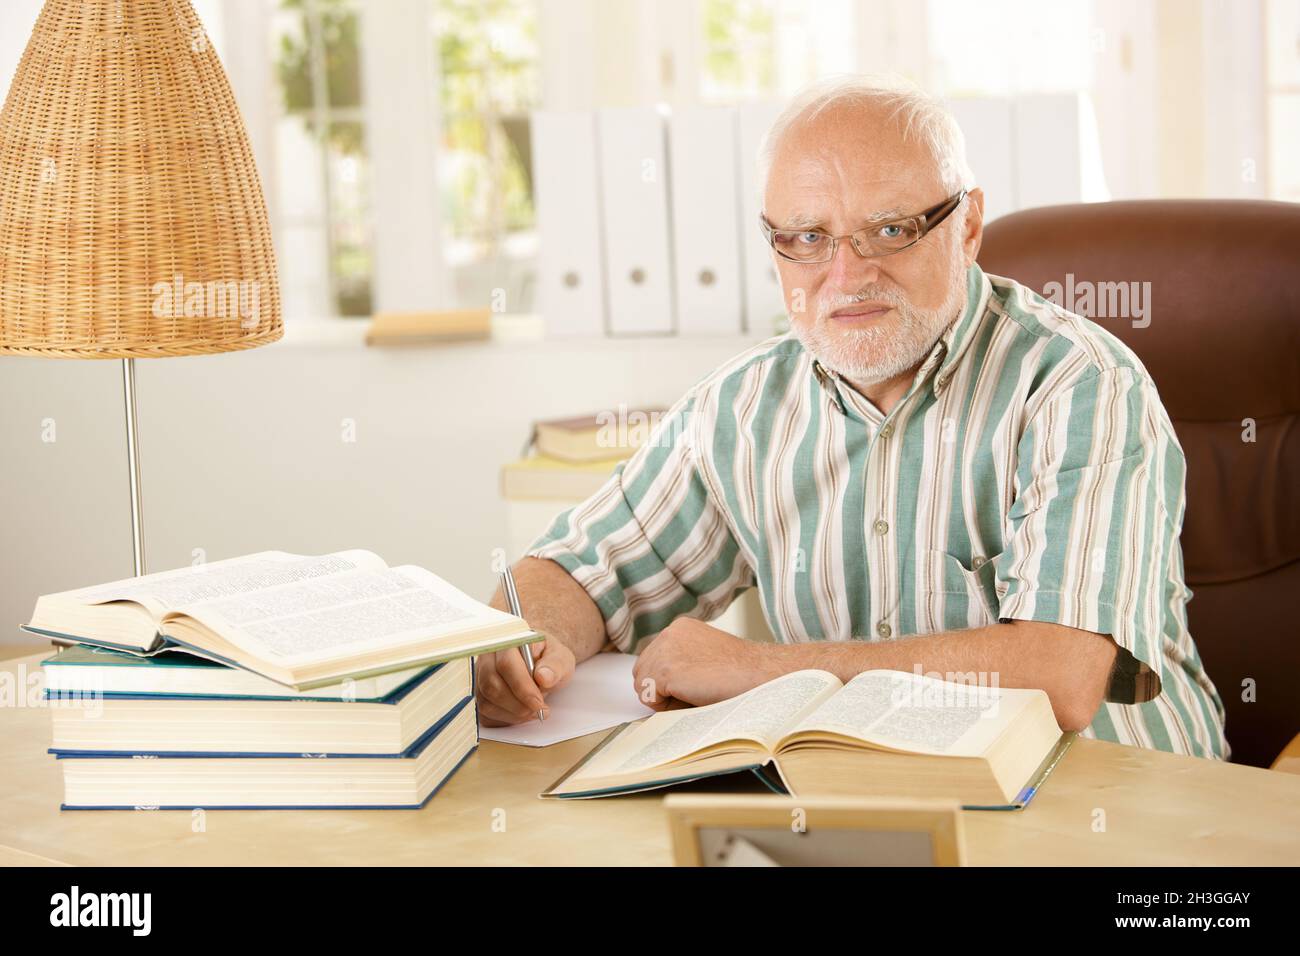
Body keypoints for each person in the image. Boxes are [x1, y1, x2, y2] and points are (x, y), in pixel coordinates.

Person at [477, 74, 1227, 760]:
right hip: (872, 805)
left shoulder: (1078, 384)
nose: (848, 275)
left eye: (892, 229)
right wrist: (517, 640)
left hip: (1112, 808)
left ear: (967, 226)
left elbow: (1062, 676)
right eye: (807, 239)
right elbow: (580, 574)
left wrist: (761, 671)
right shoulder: (741, 407)